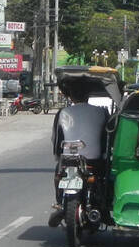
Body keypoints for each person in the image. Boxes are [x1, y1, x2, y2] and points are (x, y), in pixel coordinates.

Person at [47, 87, 110, 227]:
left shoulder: (63, 112)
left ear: (71, 97)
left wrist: (58, 156)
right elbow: (107, 137)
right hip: (94, 160)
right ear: (88, 96)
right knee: (104, 177)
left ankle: (59, 202)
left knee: (58, 172)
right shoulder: (101, 112)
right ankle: (103, 205)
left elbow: (56, 139)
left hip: (68, 158)